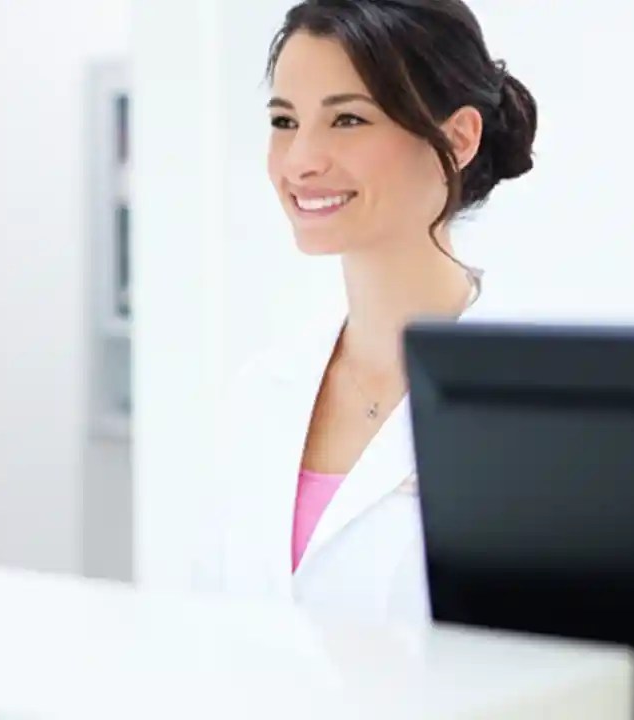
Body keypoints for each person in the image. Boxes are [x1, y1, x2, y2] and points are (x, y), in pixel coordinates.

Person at [196, 0, 538, 626]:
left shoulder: (529, 403)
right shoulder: (261, 393)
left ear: (458, 139)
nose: (300, 159)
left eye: (348, 119)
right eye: (284, 120)